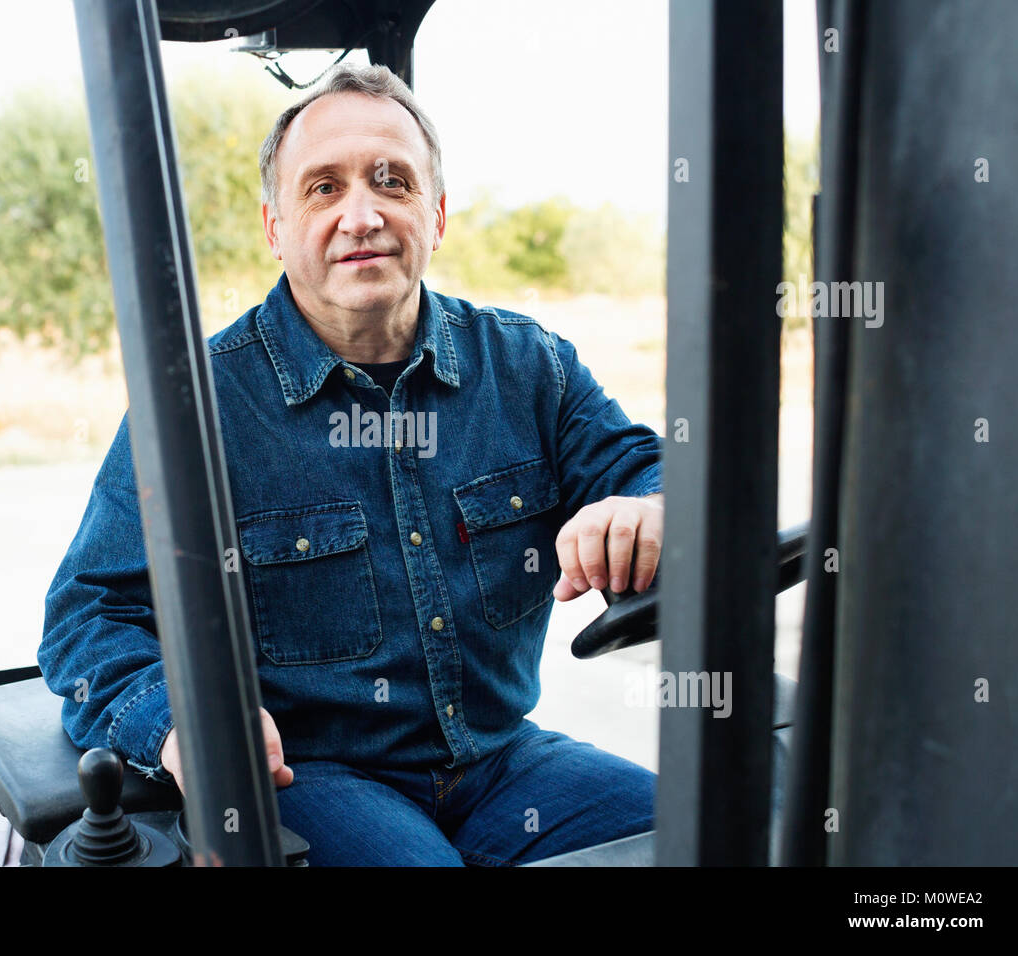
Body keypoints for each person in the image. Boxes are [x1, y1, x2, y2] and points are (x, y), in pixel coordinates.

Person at [39, 62, 665, 866]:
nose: (360, 215)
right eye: (323, 188)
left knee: (716, 827)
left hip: (503, 761)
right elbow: (89, 615)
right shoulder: (198, 406)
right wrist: (180, 723)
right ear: (275, 227)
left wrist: (650, 507)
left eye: (391, 182)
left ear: (435, 216)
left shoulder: (529, 366)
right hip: (316, 774)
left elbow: (645, 468)